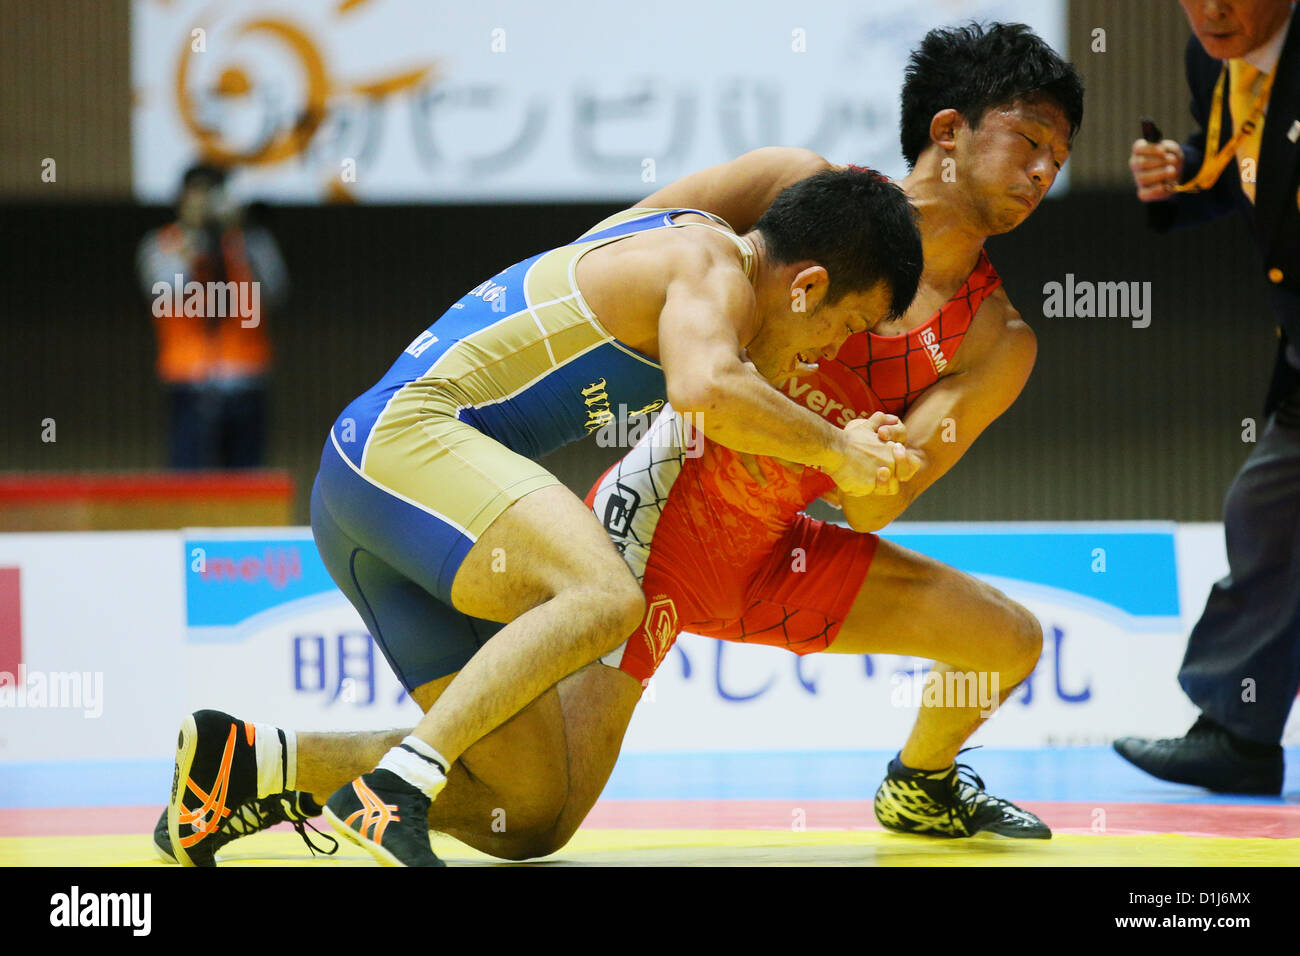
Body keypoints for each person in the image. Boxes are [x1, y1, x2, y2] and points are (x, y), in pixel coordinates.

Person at [152, 22, 1084, 864]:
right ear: (950, 129)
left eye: (1061, 156)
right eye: (1031, 140)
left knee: (1004, 640)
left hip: (776, 547)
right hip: (654, 524)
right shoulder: (777, 204)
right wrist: (802, 408)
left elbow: (873, 499)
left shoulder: (995, 336)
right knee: (565, 730)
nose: (1046, 170)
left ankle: (256, 763)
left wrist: (865, 456)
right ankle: (396, 781)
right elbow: (614, 255)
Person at [166, 167, 926, 866]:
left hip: (373, 504)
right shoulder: (710, 264)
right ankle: (394, 787)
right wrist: (837, 449)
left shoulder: (673, 240)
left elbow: (730, 375)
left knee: (528, 811)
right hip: (404, 444)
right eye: (846, 326)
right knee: (604, 597)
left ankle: (248, 763)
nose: (831, 353)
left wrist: (849, 441)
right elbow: (708, 390)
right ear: (809, 282)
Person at [1116, 0, 1300, 795]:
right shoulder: (1214, 63)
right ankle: (1238, 732)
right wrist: (1178, 177)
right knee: (1269, 509)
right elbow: (1247, 168)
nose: (1211, 10)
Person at [136, 163, 288, 468]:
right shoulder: (163, 244)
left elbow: (276, 290)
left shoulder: (249, 241)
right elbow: (164, 290)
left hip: (246, 379)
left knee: (248, 487)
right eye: (200, 195)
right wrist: (194, 242)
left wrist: (241, 236)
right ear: (183, 199)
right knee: (190, 484)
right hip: (189, 382)